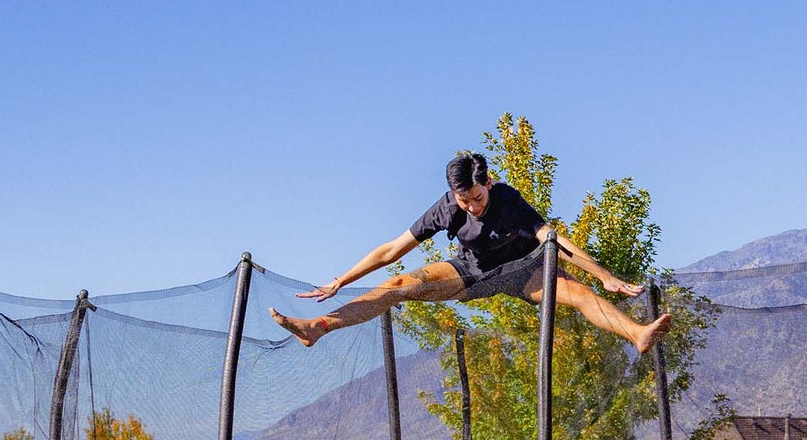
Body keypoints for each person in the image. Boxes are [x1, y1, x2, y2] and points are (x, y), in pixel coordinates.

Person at [270, 150, 673, 356]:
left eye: (477, 198)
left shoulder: (509, 200)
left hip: (524, 270)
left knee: (582, 295)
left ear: (489, 183)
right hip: (471, 273)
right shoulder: (448, 207)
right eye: (464, 201)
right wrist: (341, 280)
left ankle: (636, 334)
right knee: (397, 285)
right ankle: (318, 327)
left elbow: (555, 240)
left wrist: (600, 273)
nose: (472, 206)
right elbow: (392, 249)